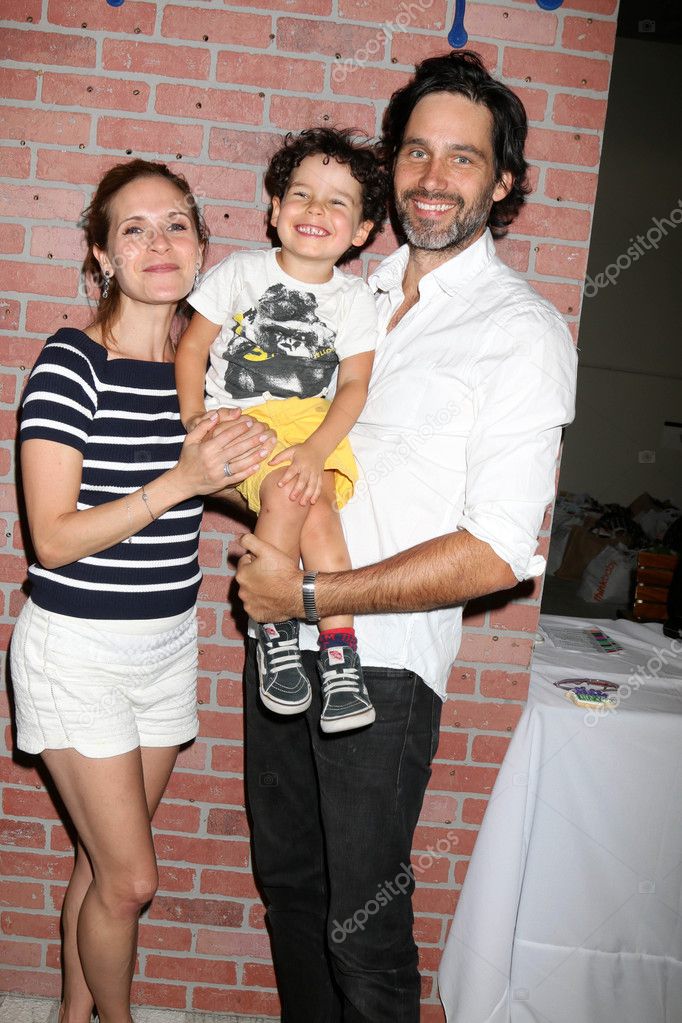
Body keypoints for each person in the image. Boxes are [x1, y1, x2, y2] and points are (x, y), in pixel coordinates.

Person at [236, 51, 578, 1022]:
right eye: (417, 152)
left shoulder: (522, 333)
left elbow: (499, 551)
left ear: (502, 181)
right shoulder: (339, 298)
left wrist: (312, 597)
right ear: (391, 165)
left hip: (380, 671)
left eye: (463, 159)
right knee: (292, 891)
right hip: (278, 645)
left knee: (363, 929)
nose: (433, 178)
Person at [10, 159, 274, 1023]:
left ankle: (70, 1017)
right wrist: (183, 476)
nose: (159, 242)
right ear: (103, 254)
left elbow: (240, 488)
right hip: (77, 648)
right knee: (133, 881)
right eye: (134, 227)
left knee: (98, 869)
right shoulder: (70, 362)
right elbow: (50, 537)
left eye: (177, 224)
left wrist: (290, 470)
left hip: (165, 648)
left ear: (203, 246)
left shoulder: (213, 374)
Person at [175, 128, 388, 732]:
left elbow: (353, 387)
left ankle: (338, 653)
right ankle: (277, 628)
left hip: (317, 428)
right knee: (290, 496)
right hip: (246, 422)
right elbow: (191, 350)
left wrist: (317, 449)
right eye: (301, 194)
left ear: (363, 231)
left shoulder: (355, 300)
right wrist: (195, 419)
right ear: (275, 210)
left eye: (338, 202)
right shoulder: (240, 272)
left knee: (319, 512)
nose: (316, 210)